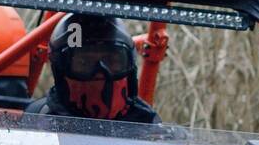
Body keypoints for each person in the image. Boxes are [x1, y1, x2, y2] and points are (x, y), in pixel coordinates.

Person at [26, 14, 159, 123]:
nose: (100, 73)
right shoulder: (39, 119)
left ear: (129, 66)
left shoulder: (147, 124)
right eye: (84, 62)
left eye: (111, 61)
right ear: (61, 70)